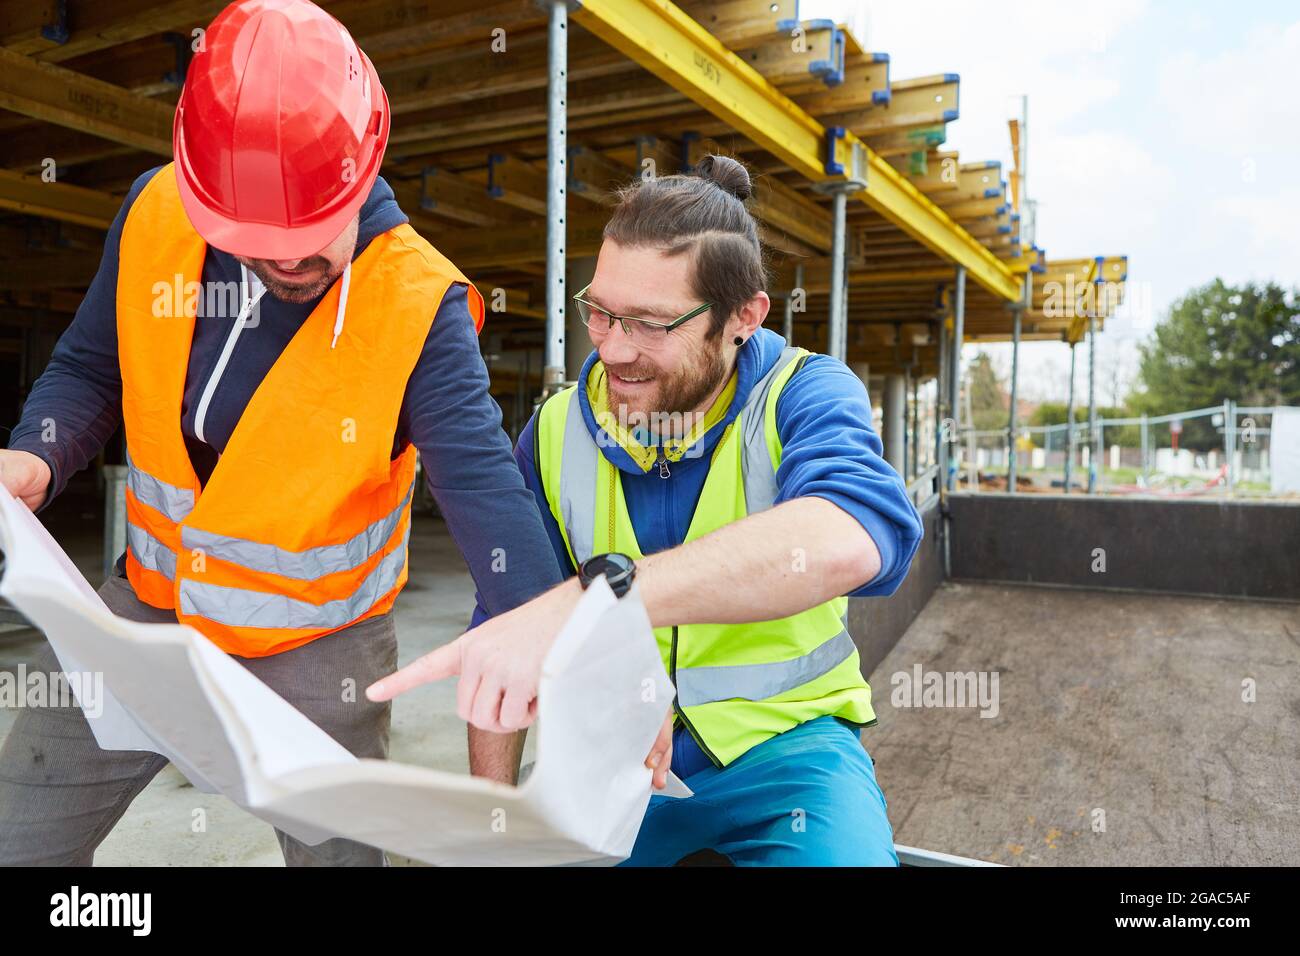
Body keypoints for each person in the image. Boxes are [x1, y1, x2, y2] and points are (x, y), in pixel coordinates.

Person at [0, 0, 560, 866]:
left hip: (319, 652)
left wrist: (554, 635)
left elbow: (485, 487)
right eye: (259, 246)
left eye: (308, 240)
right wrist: (37, 451)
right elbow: (88, 368)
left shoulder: (417, 300)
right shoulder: (156, 214)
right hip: (147, 609)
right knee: (19, 835)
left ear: (364, 164)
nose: (289, 264)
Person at [368, 154, 924, 865]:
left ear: (742, 318)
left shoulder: (804, 395)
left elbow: (848, 537)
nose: (614, 349)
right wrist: (498, 823)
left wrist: (604, 598)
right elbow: (507, 626)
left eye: (652, 324)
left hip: (789, 753)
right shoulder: (554, 429)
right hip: (617, 757)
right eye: (599, 312)